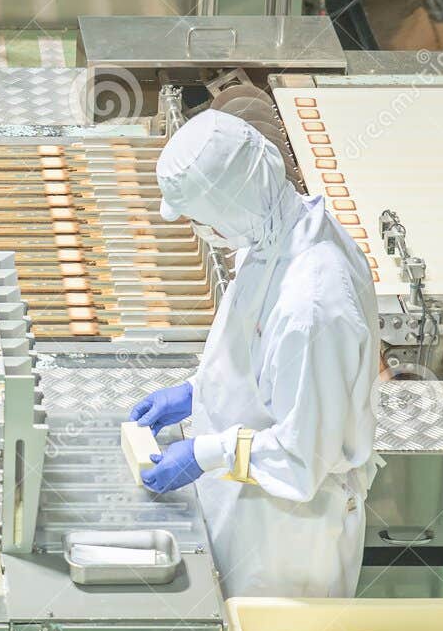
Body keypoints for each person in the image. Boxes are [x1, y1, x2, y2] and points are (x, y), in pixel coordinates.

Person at [129, 109, 380, 598]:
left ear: (227, 209)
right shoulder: (272, 232)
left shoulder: (311, 304)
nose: (199, 229)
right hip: (246, 506)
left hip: (286, 539)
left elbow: (300, 458)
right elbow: (257, 361)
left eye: (200, 219)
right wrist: (198, 396)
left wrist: (204, 453)